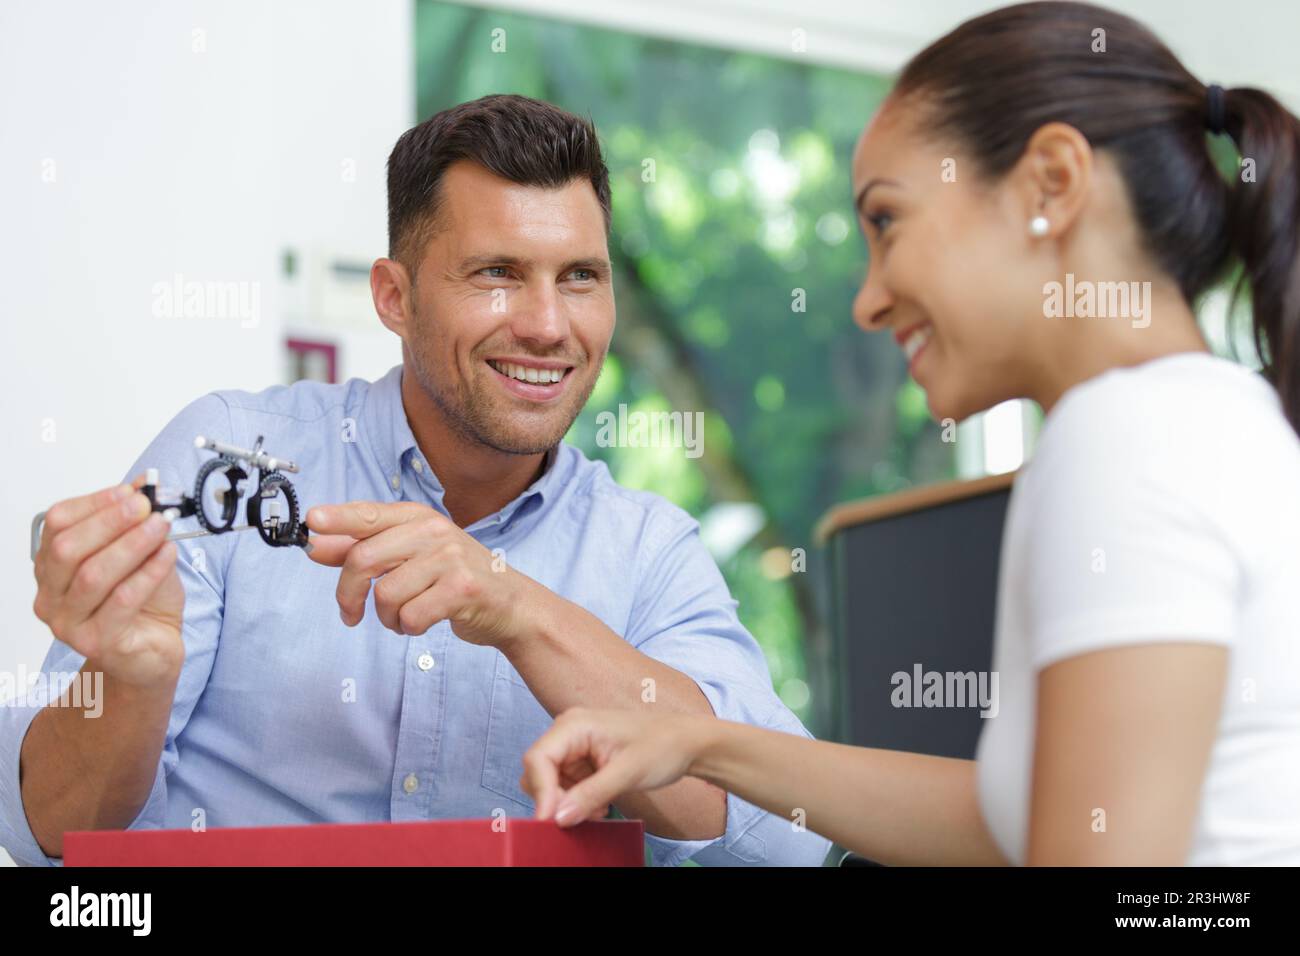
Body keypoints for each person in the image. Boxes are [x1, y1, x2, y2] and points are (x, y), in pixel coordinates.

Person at [521, 1, 1300, 865]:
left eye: (887, 223)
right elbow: (1014, 825)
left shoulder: (1126, 435)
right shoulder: (1199, 418)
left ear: (1051, 182)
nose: (868, 299)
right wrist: (703, 745)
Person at [2, 94, 831, 868]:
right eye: (497, 273)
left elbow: (782, 836)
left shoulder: (649, 553)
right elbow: (44, 832)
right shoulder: (231, 455)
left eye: (580, 275)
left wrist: (515, 608)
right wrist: (130, 688)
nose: (547, 326)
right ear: (394, 298)